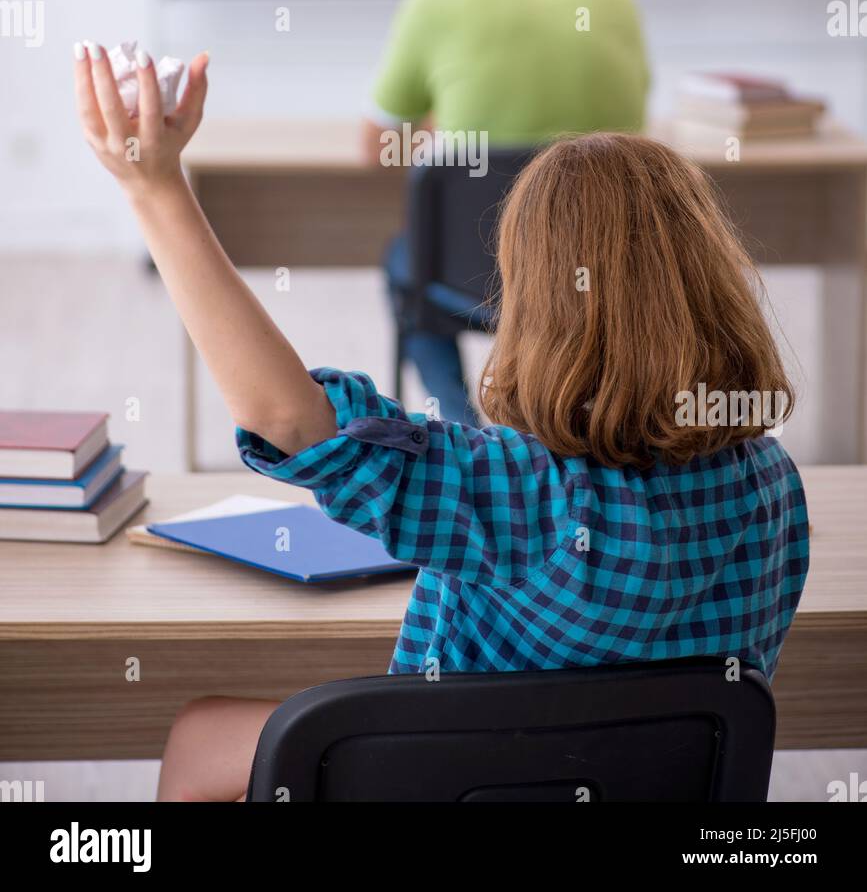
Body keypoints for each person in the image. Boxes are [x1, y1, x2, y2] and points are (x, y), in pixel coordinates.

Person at [73, 44, 807, 802]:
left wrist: (153, 184)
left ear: (535, 306)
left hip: (464, 787)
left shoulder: (514, 491)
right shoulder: (771, 485)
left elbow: (288, 420)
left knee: (201, 734)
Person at [362, 0, 651, 425]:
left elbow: (378, 146)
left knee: (408, 266)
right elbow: (634, 140)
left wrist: (443, 132)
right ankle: (582, 418)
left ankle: (459, 425)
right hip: (597, 265)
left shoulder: (432, 1)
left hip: (468, 275)